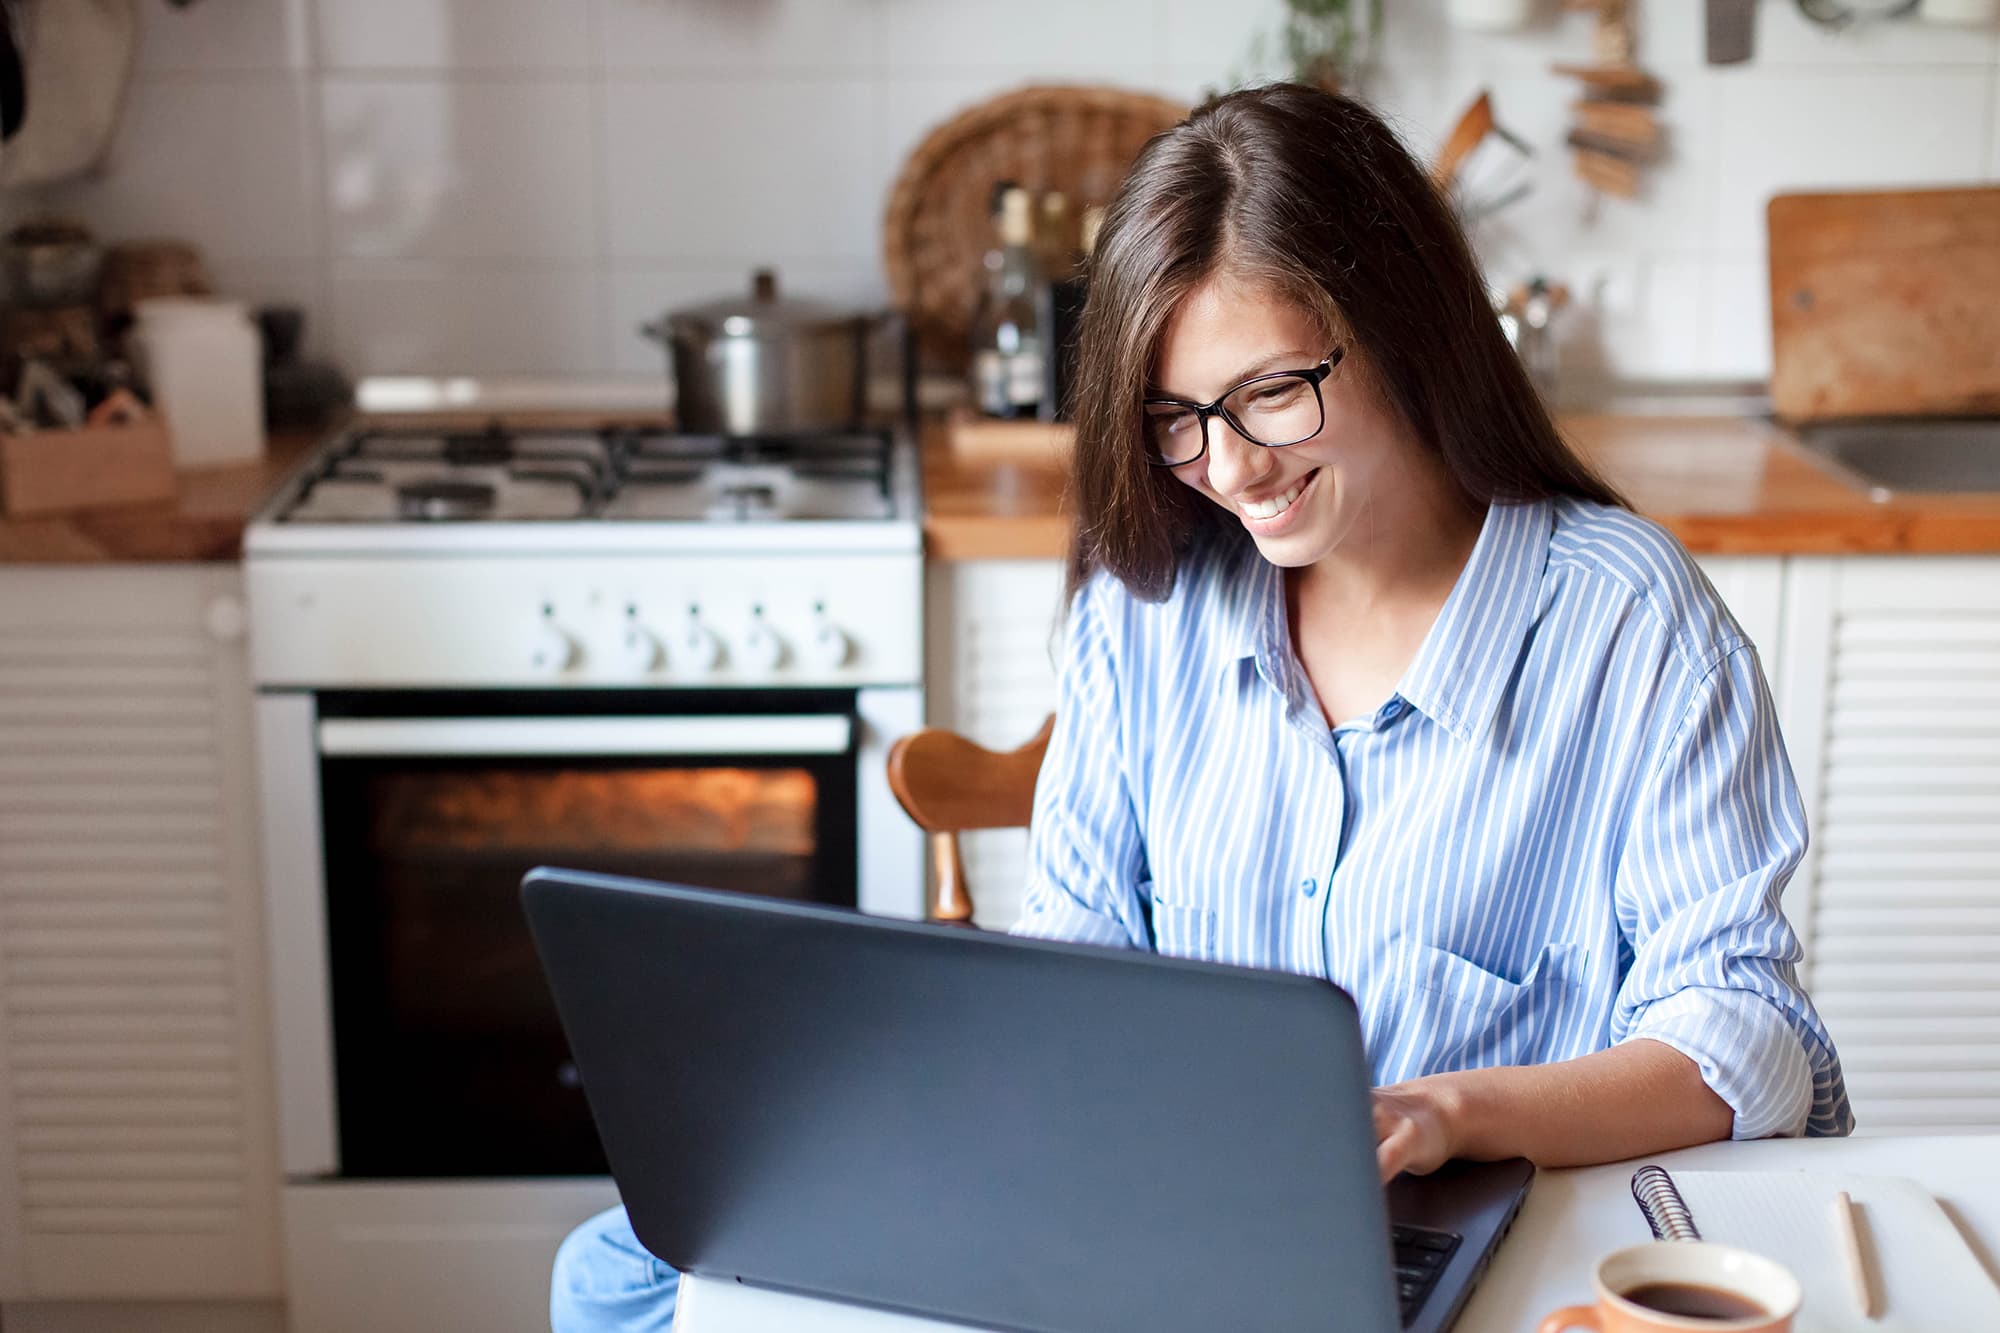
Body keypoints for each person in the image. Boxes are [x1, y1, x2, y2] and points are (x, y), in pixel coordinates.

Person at [550, 82, 1850, 1332]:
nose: (1229, 469)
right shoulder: (1154, 602)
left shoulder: (1627, 624)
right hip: (1156, 1214)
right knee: (615, 1270)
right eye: (1177, 417)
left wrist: (1452, 1112)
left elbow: (1744, 1037)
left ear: (1409, 325)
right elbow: (1078, 947)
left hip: (1475, 1237)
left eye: (1274, 392)